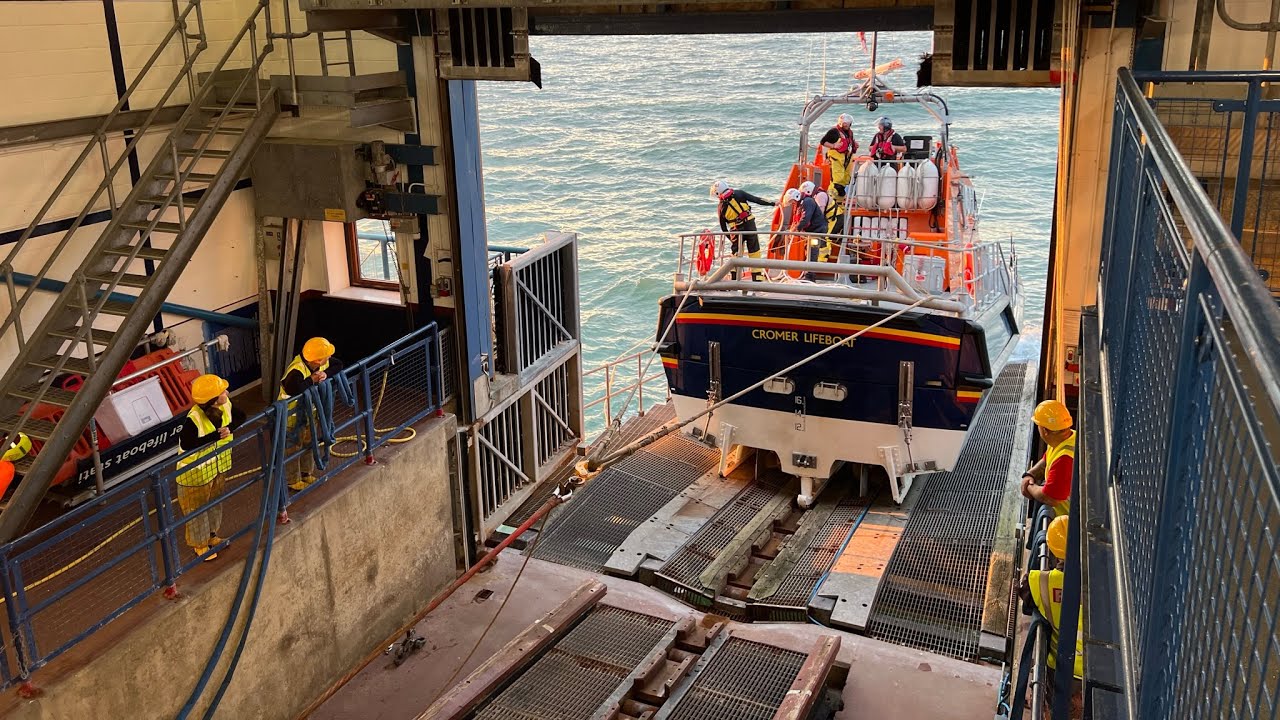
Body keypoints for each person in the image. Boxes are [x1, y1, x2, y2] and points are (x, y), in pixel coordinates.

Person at [177, 374, 245, 562]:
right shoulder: (194, 419)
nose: (227, 393)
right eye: (223, 391)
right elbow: (188, 443)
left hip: (218, 467)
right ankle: (200, 545)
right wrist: (215, 437)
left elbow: (241, 416)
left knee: (215, 503)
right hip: (195, 475)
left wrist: (230, 428)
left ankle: (211, 535)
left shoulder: (225, 405)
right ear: (213, 400)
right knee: (196, 510)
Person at [1020, 516, 1085, 682]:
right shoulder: (1101, 581)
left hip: (1061, 666)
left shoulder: (1039, 581)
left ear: (1051, 549)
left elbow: (1026, 603)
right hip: (1098, 670)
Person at [279, 337, 342, 491]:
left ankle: (306, 473)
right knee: (293, 449)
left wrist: (325, 374)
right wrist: (312, 380)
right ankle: (292, 480)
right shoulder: (297, 370)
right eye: (326, 356)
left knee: (309, 444)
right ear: (317, 361)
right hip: (292, 420)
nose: (328, 358)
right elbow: (293, 389)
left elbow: (338, 365)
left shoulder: (320, 362)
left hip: (308, 415)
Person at [1021, 399, 1075, 517]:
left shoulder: (1065, 459)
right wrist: (1030, 474)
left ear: (1044, 430)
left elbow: (1050, 498)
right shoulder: (1068, 438)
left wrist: (1029, 486)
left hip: (1070, 522)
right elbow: (1046, 460)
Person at [712, 180, 774, 281]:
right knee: (755, 251)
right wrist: (773, 203)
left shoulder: (721, 207)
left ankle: (734, 278)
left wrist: (731, 238)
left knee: (736, 254)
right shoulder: (739, 193)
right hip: (750, 227)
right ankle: (757, 278)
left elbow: (724, 228)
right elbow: (757, 200)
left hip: (735, 232)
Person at [819, 113, 857, 199]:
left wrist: (854, 144)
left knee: (845, 180)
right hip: (836, 160)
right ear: (841, 123)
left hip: (846, 160)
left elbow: (849, 143)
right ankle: (831, 200)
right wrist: (833, 146)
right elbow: (823, 142)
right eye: (846, 123)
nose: (848, 125)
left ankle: (839, 202)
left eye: (849, 123)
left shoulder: (849, 133)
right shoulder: (834, 132)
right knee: (837, 182)